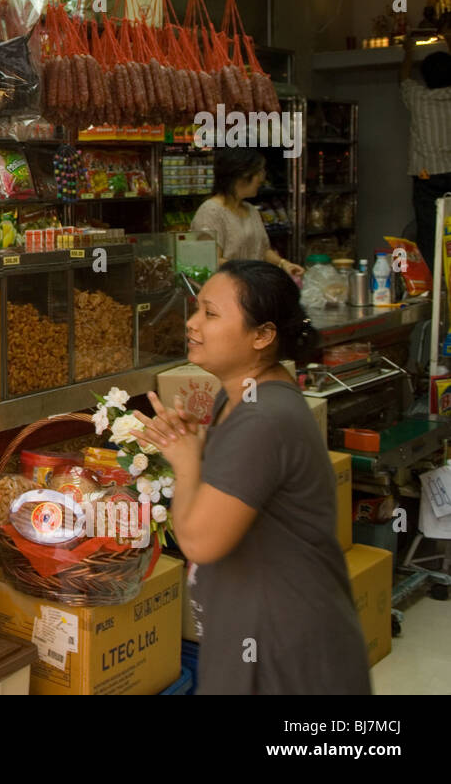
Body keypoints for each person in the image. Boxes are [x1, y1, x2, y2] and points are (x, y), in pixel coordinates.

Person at [131, 260, 370, 694]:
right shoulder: (242, 395)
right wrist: (202, 444)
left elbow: (202, 542)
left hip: (287, 652)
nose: (192, 323)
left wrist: (186, 462)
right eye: (196, 309)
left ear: (262, 336)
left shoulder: (262, 417)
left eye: (211, 314)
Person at [189, 147, 304, 279]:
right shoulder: (210, 212)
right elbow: (210, 261)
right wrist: (252, 272)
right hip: (228, 289)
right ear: (242, 175)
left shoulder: (251, 209)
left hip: (251, 287)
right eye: (259, 171)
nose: (262, 177)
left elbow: (262, 250)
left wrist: (284, 264)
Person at [401, 32, 451, 266]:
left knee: (428, 235)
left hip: (427, 177)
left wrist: (408, 52)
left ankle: (432, 290)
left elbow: (403, 77)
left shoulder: (417, 97)